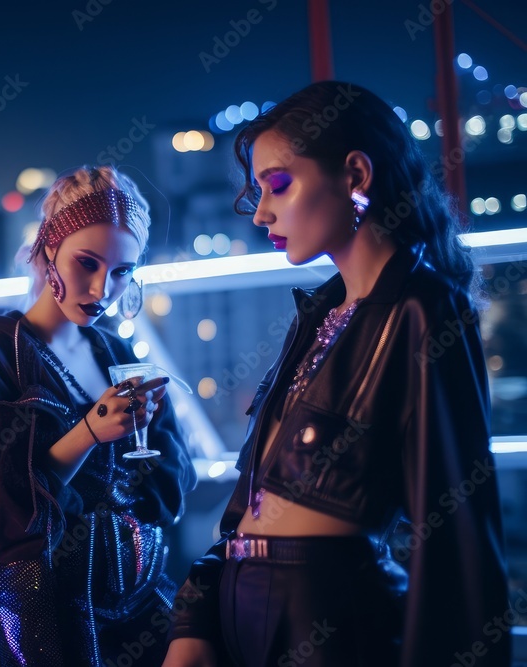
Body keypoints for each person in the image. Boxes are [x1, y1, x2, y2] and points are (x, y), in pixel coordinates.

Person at [165, 81, 510, 667]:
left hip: (329, 623)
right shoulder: (319, 313)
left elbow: (456, 527)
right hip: (239, 619)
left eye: (278, 184)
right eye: (258, 192)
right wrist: (194, 620)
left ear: (355, 174)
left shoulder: (420, 309)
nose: (263, 213)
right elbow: (248, 504)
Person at [0, 165, 196, 665]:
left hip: (143, 593)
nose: (103, 288)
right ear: (47, 249)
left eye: (123, 271)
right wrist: (89, 432)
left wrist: (156, 425)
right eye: (88, 263)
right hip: (48, 603)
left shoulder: (115, 351)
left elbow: (166, 494)